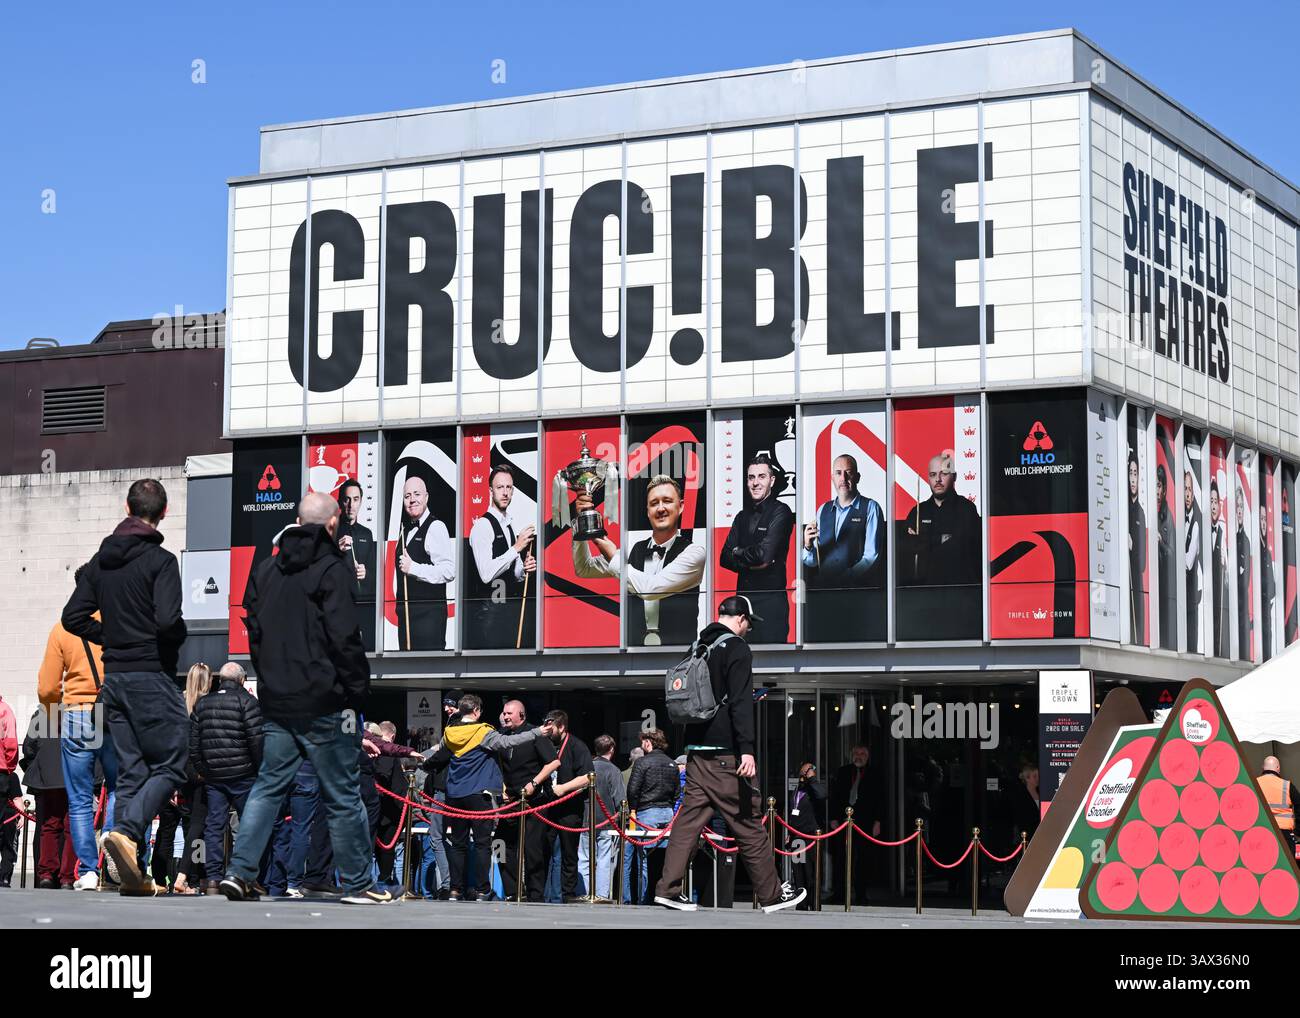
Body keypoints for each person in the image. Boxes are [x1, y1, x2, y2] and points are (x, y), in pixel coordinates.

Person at [220, 490, 389, 905]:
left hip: (278, 700)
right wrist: (356, 688)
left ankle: (240, 873)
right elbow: (345, 636)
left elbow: (253, 631)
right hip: (324, 700)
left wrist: (270, 679)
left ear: (298, 519)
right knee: (343, 793)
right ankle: (356, 884)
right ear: (333, 524)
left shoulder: (266, 569)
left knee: (268, 787)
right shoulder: (333, 569)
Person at [62, 478, 187, 896]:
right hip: (150, 674)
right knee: (174, 760)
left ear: (126, 506)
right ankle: (129, 831)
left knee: (132, 772)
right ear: (163, 512)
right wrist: (161, 639)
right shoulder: (162, 562)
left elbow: (72, 617)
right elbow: (169, 623)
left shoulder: (101, 562)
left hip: (114, 679)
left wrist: (110, 637)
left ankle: (131, 872)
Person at [654, 595, 804, 913]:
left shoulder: (697, 646)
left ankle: (667, 889)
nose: (748, 628)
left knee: (688, 823)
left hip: (695, 751)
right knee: (748, 820)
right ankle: (773, 895)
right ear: (738, 618)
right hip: (724, 755)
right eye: (748, 622)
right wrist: (746, 749)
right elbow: (738, 701)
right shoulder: (736, 648)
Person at [422, 693, 556, 902]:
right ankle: (485, 890)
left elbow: (440, 757)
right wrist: (538, 732)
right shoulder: (484, 732)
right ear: (476, 711)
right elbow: (511, 741)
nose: (504, 716)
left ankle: (456, 889)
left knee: (459, 844)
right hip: (480, 796)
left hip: (457, 796)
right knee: (486, 844)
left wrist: (422, 763)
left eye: (508, 712)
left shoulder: (449, 732)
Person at [39, 568, 115, 892]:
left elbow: (46, 689)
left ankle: (86, 870)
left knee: (79, 798)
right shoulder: (117, 623)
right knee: (119, 787)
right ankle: (113, 844)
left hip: (77, 714)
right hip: (114, 713)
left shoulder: (62, 629)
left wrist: (56, 710)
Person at [574, 474, 705, 646]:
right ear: (647, 511)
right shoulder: (634, 550)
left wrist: (614, 557)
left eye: (667, 501)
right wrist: (581, 522)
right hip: (634, 655)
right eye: (654, 503)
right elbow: (584, 567)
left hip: (679, 656)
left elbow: (651, 590)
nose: (660, 508)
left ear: (680, 507)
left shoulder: (694, 553)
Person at [190, 662, 264, 891]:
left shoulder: (202, 704)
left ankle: (212, 877)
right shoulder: (248, 702)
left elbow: (193, 744)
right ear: (241, 680)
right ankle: (242, 875)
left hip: (214, 777)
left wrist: (204, 769)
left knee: (214, 826)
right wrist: (258, 768)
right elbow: (257, 741)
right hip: (244, 774)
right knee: (248, 824)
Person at [802, 454, 886, 641]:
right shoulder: (822, 510)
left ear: (857, 477)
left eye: (848, 473)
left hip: (859, 596)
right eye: (838, 473)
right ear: (832, 477)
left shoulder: (871, 508)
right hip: (827, 597)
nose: (843, 479)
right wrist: (807, 546)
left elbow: (872, 556)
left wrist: (845, 577)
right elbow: (814, 561)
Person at [719, 454, 795, 644]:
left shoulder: (781, 511)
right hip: (742, 608)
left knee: (774, 668)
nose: (755, 483)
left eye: (761, 476)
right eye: (751, 477)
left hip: (771, 606)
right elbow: (724, 557)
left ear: (772, 480)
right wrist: (749, 558)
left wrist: (738, 551)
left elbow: (764, 556)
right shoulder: (741, 516)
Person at [465, 464, 537, 649]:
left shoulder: (509, 527)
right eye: (500, 487)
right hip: (487, 618)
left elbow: (514, 574)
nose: (505, 492)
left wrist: (524, 568)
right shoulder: (482, 526)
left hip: (508, 614)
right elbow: (486, 573)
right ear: (491, 491)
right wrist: (516, 547)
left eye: (509, 488)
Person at [494, 699, 560, 901]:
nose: (505, 716)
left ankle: (535, 894)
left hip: (535, 799)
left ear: (521, 715)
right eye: (504, 713)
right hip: (512, 800)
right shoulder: (502, 737)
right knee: (499, 844)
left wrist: (534, 782)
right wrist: (503, 788)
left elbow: (554, 762)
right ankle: (513, 890)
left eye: (509, 713)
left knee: (533, 849)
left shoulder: (535, 734)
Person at [395, 475, 455, 651]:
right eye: (407, 496)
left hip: (429, 622)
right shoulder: (404, 530)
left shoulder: (436, 527)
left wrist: (413, 568)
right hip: (406, 620)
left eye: (417, 494)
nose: (412, 499)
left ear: (426, 497)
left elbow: (449, 571)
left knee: (428, 677)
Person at [540, 710, 594, 902]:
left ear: (561, 726)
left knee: (568, 854)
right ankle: (542, 895)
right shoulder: (544, 744)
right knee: (544, 851)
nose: (546, 730)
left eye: (550, 726)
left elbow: (588, 777)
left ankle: (567, 895)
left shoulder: (577, 746)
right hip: (546, 807)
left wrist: (563, 788)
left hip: (569, 809)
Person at [20, 706, 76, 888]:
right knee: (71, 829)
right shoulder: (85, 712)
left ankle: (46, 874)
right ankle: (67, 877)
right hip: (74, 775)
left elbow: (29, 748)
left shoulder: (43, 713)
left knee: (49, 827)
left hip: (48, 776)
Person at [623, 728, 678, 904]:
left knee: (644, 859)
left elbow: (632, 790)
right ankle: (662, 895)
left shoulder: (642, 763)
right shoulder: (672, 764)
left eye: (643, 742)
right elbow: (677, 792)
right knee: (664, 858)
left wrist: (633, 809)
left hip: (647, 812)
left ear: (649, 742)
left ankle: (644, 899)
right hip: (668, 812)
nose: (641, 745)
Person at [829, 745, 880, 905]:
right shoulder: (843, 771)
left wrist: (878, 821)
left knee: (863, 860)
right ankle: (839, 894)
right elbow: (834, 796)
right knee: (841, 859)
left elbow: (880, 799)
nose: (859, 756)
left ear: (868, 756)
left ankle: (861, 894)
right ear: (851, 755)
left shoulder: (875, 774)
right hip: (843, 822)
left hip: (865, 823)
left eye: (863, 754)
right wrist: (833, 818)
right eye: (856, 753)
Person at [577, 734, 624, 901]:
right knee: (604, 859)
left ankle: (584, 892)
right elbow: (620, 800)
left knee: (584, 859)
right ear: (612, 749)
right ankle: (601, 895)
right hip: (607, 822)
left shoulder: (586, 768)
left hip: (586, 820)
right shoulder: (614, 770)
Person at [337, 479, 377, 648]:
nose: (351, 505)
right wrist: (336, 550)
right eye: (347, 499)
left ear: (361, 501)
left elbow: (377, 576)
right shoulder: (329, 531)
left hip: (364, 605)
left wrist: (366, 573)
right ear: (341, 501)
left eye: (355, 499)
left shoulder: (366, 534)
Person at [785, 762, 827, 911]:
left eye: (807, 769)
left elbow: (822, 795)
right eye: (802, 770)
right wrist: (790, 834)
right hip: (796, 836)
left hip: (811, 836)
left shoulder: (815, 788)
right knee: (798, 871)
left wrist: (812, 778)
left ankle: (814, 902)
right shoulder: (797, 789)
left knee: (811, 872)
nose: (803, 772)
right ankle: (801, 902)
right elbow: (793, 811)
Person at [1125, 449, 1147, 645]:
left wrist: (1133, 547)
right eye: (1130, 473)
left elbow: (1142, 564)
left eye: (1135, 473)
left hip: (1136, 585)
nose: (1133, 478)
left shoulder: (1140, 513)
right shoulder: (1121, 507)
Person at [1256, 756, 1296, 857]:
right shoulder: (1287, 785)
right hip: (1284, 832)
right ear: (1278, 768)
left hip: (1261, 830)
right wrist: (1298, 831)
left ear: (1263, 768)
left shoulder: (1254, 784)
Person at [1156, 465, 1175, 650]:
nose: (1156, 490)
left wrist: (1160, 542)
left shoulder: (1167, 517)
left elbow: (1173, 555)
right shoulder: (1148, 513)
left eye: (1159, 486)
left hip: (1165, 587)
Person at [1184, 470, 1203, 654]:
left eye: (1190, 489)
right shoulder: (1178, 520)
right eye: (1184, 489)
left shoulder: (1196, 523)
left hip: (1190, 593)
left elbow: (1188, 561)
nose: (1187, 493)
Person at [1211, 479, 1228, 656]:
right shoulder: (1201, 528)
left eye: (1216, 502)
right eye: (1211, 501)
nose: (1214, 506)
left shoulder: (1222, 534)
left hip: (1217, 596)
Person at [1236, 484, 1253, 659]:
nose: (1239, 511)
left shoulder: (1245, 541)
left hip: (1241, 612)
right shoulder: (1229, 537)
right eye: (1237, 506)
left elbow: (1245, 578)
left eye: (1241, 506)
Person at [1260, 501, 1275, 660]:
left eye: (1265, 519)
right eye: (1261, 519)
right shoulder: (1252, 548)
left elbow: (1273, 585)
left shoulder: (1267, 554)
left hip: (1267, 613)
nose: (1263, 523)